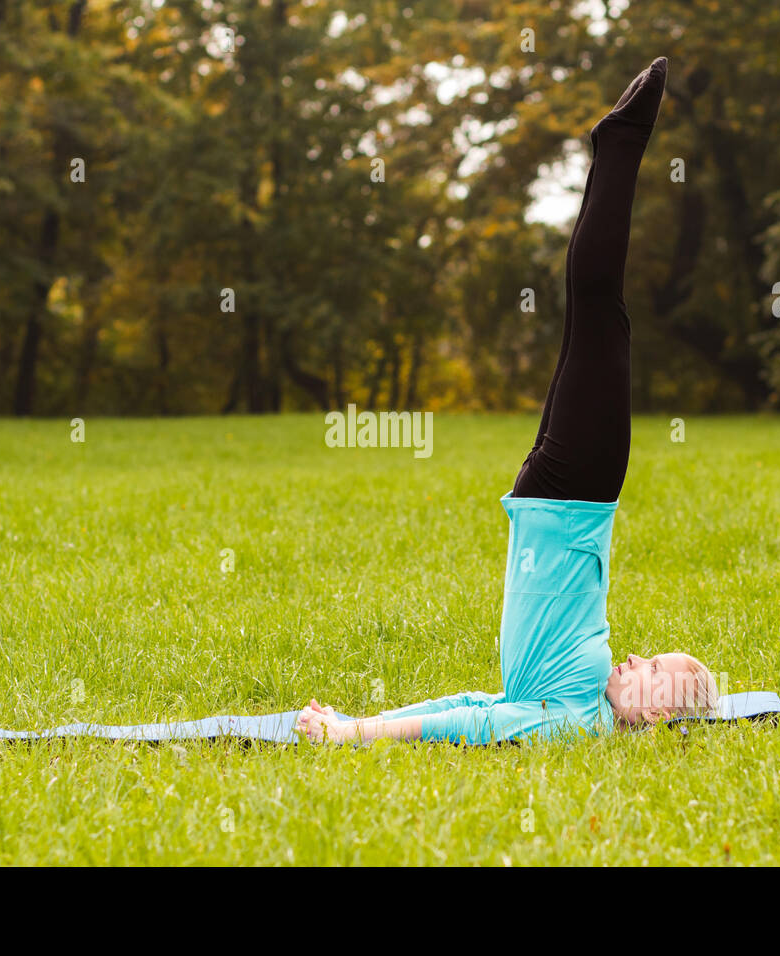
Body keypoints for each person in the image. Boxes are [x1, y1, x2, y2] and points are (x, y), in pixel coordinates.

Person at [298, 57, 718, 746]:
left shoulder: (575, 721)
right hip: (575, 495)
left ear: (656, 715)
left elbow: (476, 713)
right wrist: (354, 727)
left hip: (562, 493)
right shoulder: (581, 703)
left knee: (596, 309)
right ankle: (616, 146)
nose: (639, 655)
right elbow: (479, 706)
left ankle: (616, 147)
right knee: (593, 310)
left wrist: (356, 732)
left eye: (653, 670)